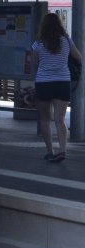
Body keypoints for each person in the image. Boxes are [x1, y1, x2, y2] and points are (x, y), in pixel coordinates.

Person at [31, 12, 82, 164]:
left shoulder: (39, 43)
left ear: (43, 26)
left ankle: (50, 151)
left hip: (43, 83)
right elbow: (79, 57)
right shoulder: (66, 40)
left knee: (45, 119)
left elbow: (34, 62)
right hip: (62, 82)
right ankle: (62, 150)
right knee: (60, 119)